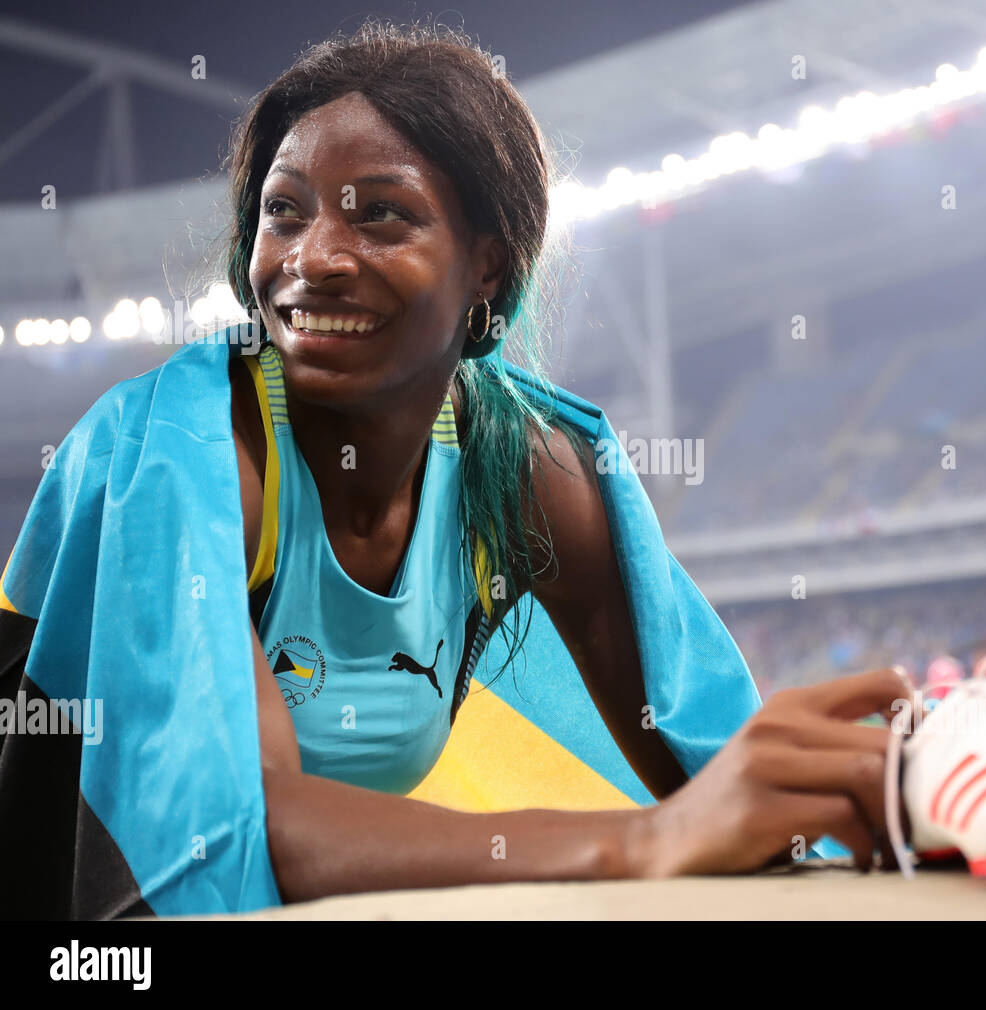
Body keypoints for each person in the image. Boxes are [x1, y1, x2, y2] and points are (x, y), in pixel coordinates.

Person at [0, 20, 908, 917]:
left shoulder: (530, 471)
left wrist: (908, 808)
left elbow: (708, 756)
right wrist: (647, 841)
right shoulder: (181, 456)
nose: (311, 259)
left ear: (489, 267)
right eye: (284, 211)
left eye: (381, 214)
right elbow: (224, 831)